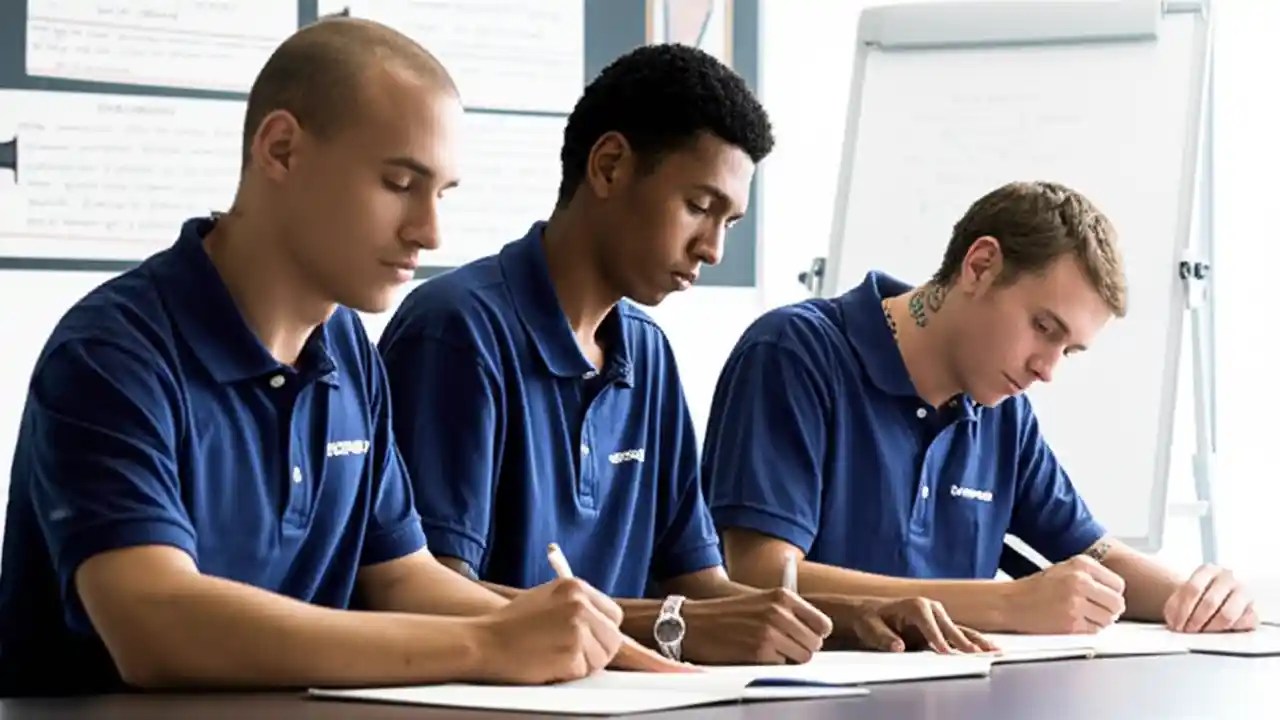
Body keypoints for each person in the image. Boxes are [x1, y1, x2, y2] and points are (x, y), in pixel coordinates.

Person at [0, 17, 640, 698]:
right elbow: (152, 624)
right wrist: (489, 641)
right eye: (399, 183)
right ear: (280, 150)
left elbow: (400, 576)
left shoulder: (347, 352)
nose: (429, 231)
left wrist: (601, 647)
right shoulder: (111, 353)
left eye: (442, 194)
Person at [378, 43, 995, 666]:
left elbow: (699, 585)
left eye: (730, 221)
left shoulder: (647, 353)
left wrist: (854, 618)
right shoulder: (457, 331)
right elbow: (432, 597)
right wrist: (675, 624)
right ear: (610, 167)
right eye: (699, 207)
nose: (713, 248)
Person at [700, 180, 1259, 635]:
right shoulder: (795, 352)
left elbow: (1097, 556)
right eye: (1044, 328)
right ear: (980, 266)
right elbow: (759, 573)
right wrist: (1004, 604)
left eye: (1070, 350)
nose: (1048, 368)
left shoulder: (1002, 409)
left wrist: (1202, 598)